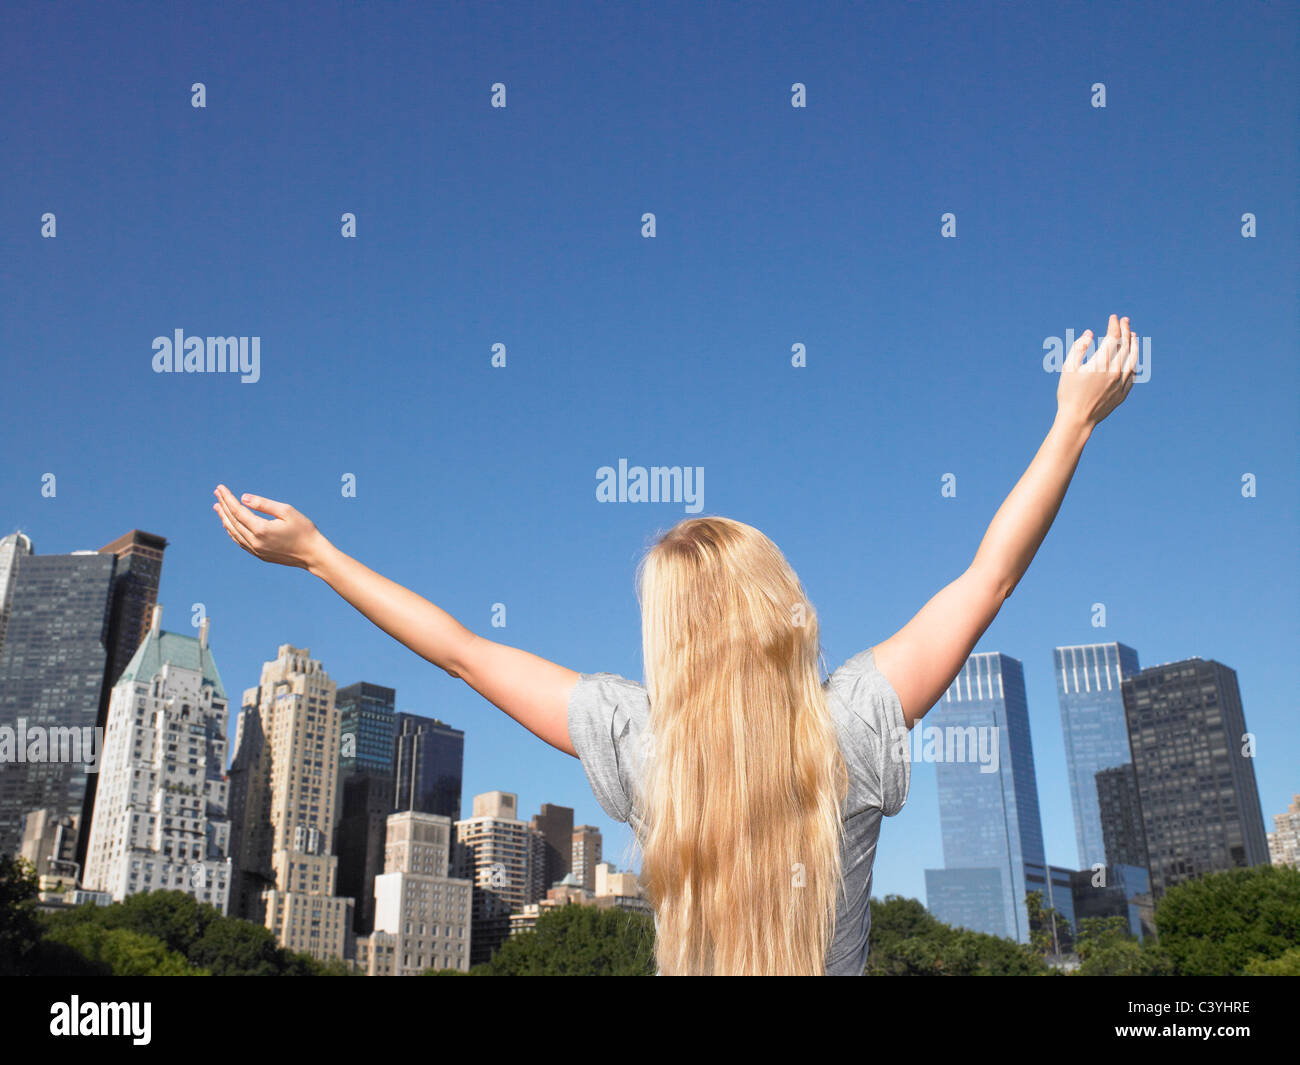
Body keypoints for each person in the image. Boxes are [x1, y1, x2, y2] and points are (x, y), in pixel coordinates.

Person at [213, 314, 1141, 975]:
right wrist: (1071, 421)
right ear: (786, 606)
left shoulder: (638, 741)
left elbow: (459, 650)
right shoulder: (852, 724)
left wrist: (321, 556)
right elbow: (990, 576)